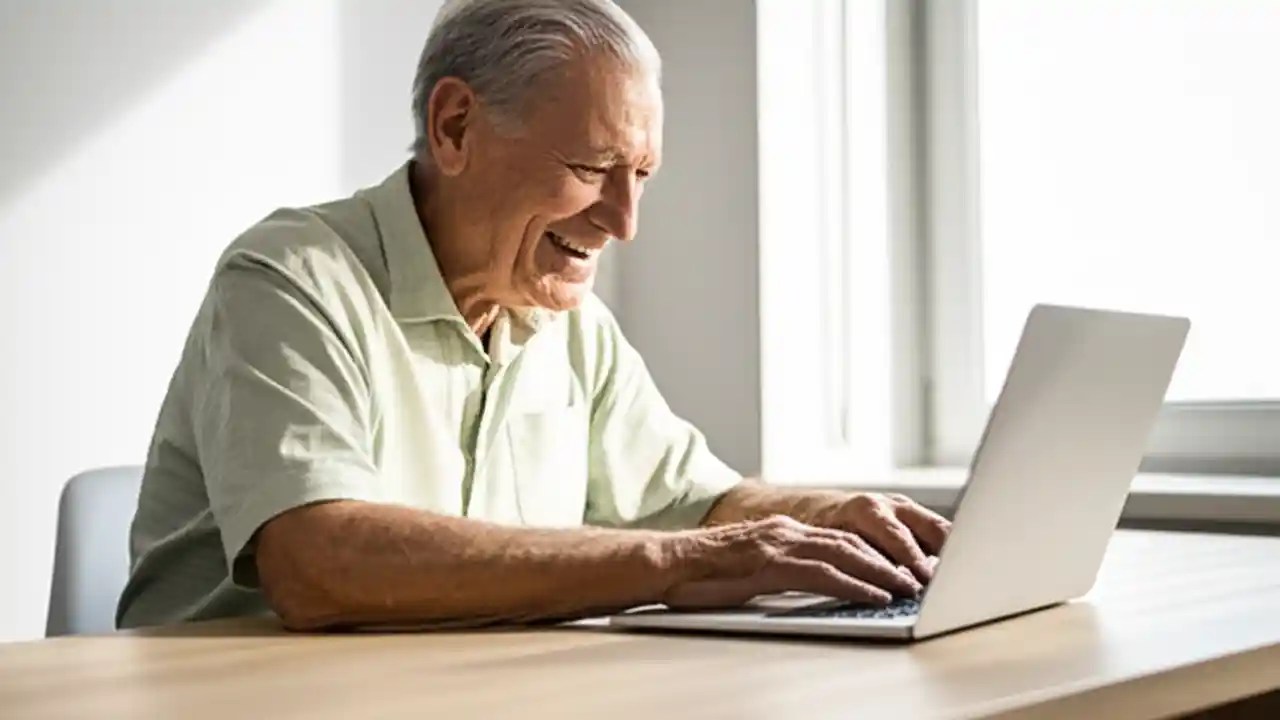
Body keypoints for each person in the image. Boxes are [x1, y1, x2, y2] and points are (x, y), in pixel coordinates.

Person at [117, 0, 950, 631]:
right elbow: (317, 560)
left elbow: (701, 504)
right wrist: (672, 563)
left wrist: (837, 519)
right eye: (593, 166)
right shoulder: (294, 276)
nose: (624, 222)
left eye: (642, 175)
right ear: (454, 127)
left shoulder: (570, 325)